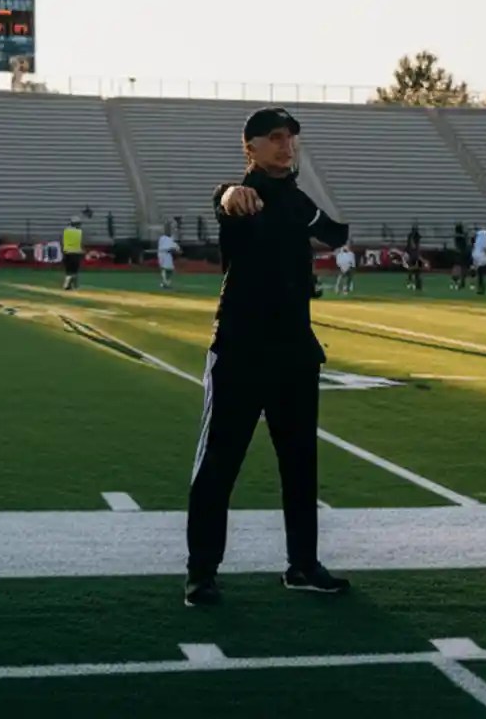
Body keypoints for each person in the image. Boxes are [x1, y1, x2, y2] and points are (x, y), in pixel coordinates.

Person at [186, 107, 351, 608]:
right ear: (251, 147)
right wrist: (225, 193)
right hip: (239, 352)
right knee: (219, 465)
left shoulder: (296, 199)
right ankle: (201, 572)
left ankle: (302, 565)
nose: (287, 145)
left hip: (296, 354)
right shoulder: (244, 197)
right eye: (275, 138)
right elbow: (225, 200)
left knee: (301, 466)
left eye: (292, 138)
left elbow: (335, 233)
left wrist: (322, 223)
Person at [62, 215, 84, 290]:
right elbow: (80, 242)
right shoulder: (79, 232)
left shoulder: (66, 230)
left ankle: (67, 285)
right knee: (74, 271)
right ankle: (74, 285)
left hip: (67, 252)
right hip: (75, 253)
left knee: (68, 271)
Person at [472, 225, 486, 295]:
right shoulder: (485, 239)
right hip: (483, 258)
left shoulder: (479, 236)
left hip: (476, 256)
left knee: (479, 274)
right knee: (483, 275)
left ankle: (479, 288)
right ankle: (482, 289)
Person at [450, 223, 469, 290]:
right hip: (462, 252)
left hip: (459, 253)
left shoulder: (458, 236)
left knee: (459, 267)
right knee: (461, 267)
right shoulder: (460, 235)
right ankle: (459, 281)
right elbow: (464, 236)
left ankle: (458, 281)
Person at [405, 225, 423, 292]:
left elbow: (410, 247)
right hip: (414, 256)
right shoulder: (414, 237)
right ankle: (417, 285)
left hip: (414, 256)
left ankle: (415, 284)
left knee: (414, 271)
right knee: (416, 271)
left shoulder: (412, 237)